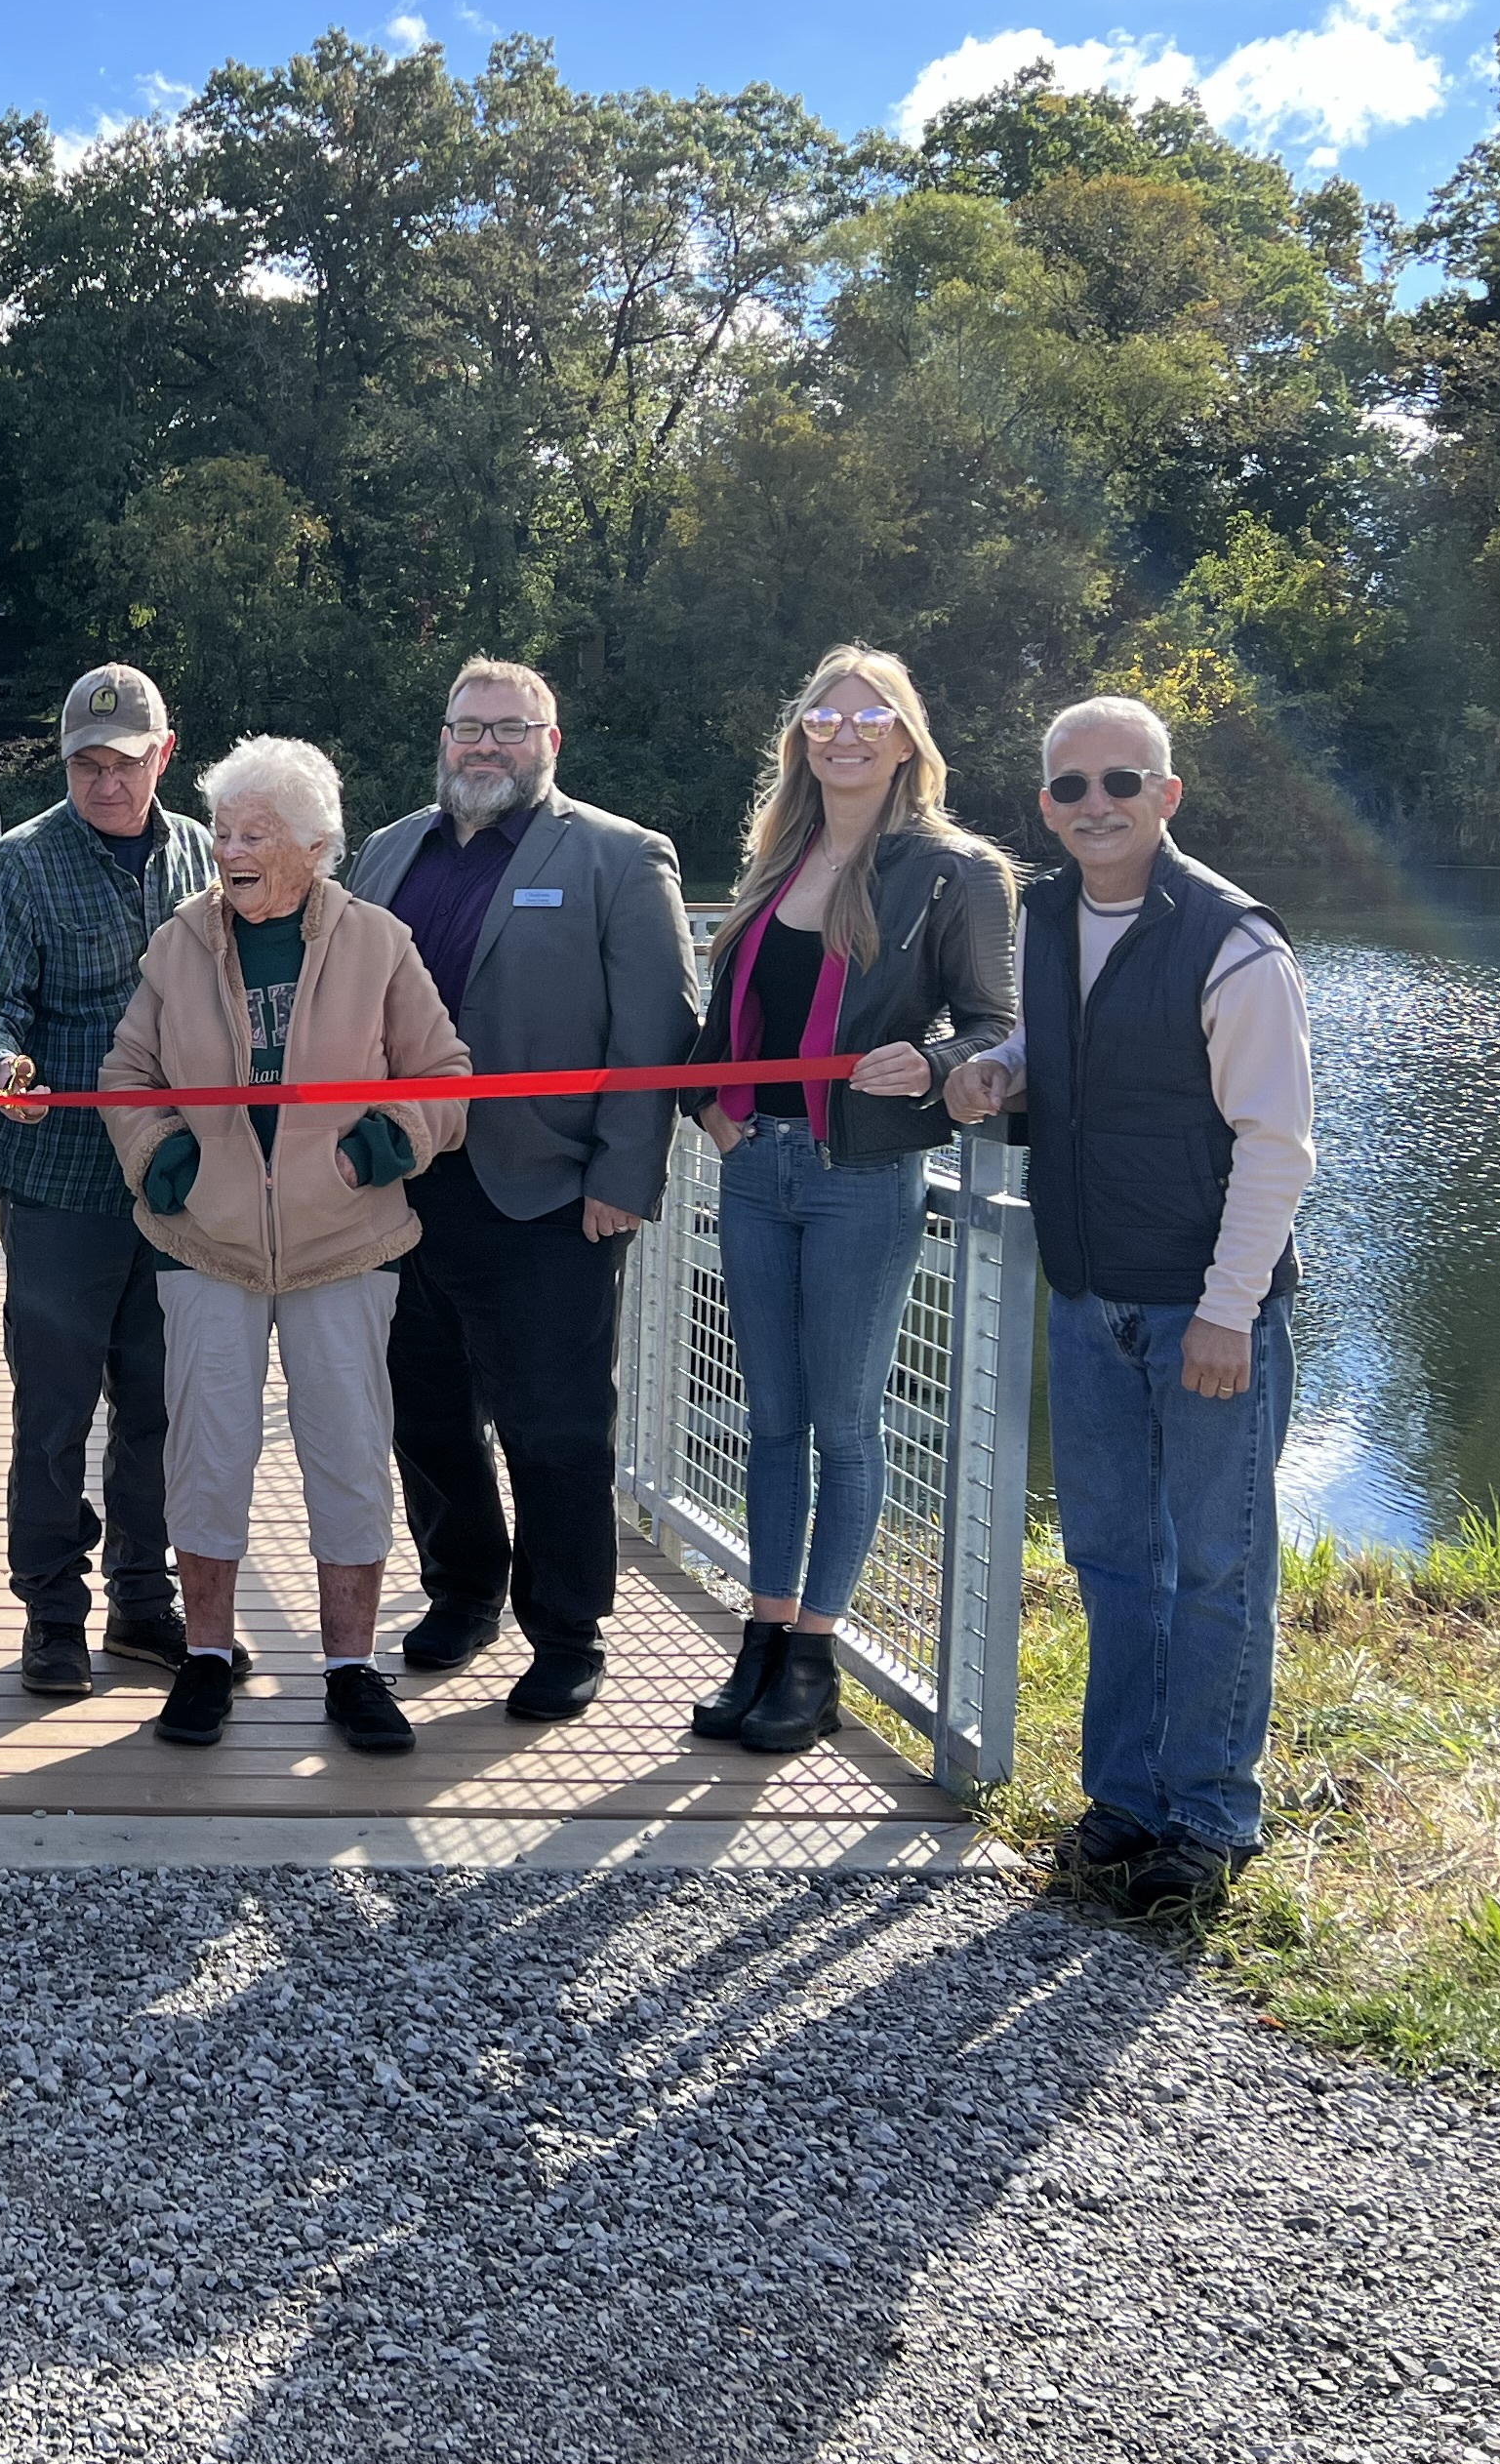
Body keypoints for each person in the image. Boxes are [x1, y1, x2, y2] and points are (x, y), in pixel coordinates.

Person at [949, 695, 1313, 1919]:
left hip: (1205, 1312)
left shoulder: (1234, 942)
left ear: (1166, 795)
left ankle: (1209, 1816)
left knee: (1217, 1566)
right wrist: (1000, 1073)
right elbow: (1066, 1063)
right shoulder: (1045, 914)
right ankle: (1124, 1800)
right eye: (1068, 788)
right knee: (1112, 1560)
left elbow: (1277, 1148)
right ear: (1044, 805)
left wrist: (1227, 1308)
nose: (1093, 805)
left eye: (1120, 782)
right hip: (1088, 1292)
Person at [677, 647, 1016, 1757]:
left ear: (908, 739)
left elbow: (996, 1025)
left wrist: (928, 1062)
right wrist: (716, 1114)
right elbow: (731, 1016)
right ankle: (762, 1639)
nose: (848, 730)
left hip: (861, 1177)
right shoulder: (782, 853)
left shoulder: (953, 871)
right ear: (804, 737)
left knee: (843, 1425)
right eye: (828, 712)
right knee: (768, 1423)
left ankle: (814, 1659)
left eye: (873, 715)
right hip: (756, 1167)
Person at [103, 737, 468, 1758]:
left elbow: (445, 1074)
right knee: (207, 1454)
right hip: (206, 1243)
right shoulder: (180, 942)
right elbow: (127, 1072)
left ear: (315, 844)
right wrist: (155, 1151)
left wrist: (393, 1137)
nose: (230, 850)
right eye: (221, 831)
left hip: (345, 1243)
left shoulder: (377, 942)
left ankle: (350, 1669)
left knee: (349, 1456)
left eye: (255, 833)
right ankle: (208, 1656)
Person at [350, 658, 700, 1721]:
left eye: (510, 728)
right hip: (400, 1189)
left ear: (553, 741)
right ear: (444, 738)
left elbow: (659, 1032)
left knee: (553, 1427)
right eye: (468, 728)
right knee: (427, 1413)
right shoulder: (386, 851)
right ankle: (463, 1591)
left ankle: (568, 1630)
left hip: (546, 1192)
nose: (485, 746)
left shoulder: (617, 856)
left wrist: (625, 1177)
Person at [0, 661, 218, 1698]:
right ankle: (53, 1608)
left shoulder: (206, 850)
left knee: (158, 1404)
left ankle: (143, 1603)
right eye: (86, 765)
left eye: (127, 762)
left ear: (165, 753)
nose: (107, 783)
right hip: (57, 1181)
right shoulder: (21, 861)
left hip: (180, 1183)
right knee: (55, 1408)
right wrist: (0, 1069)